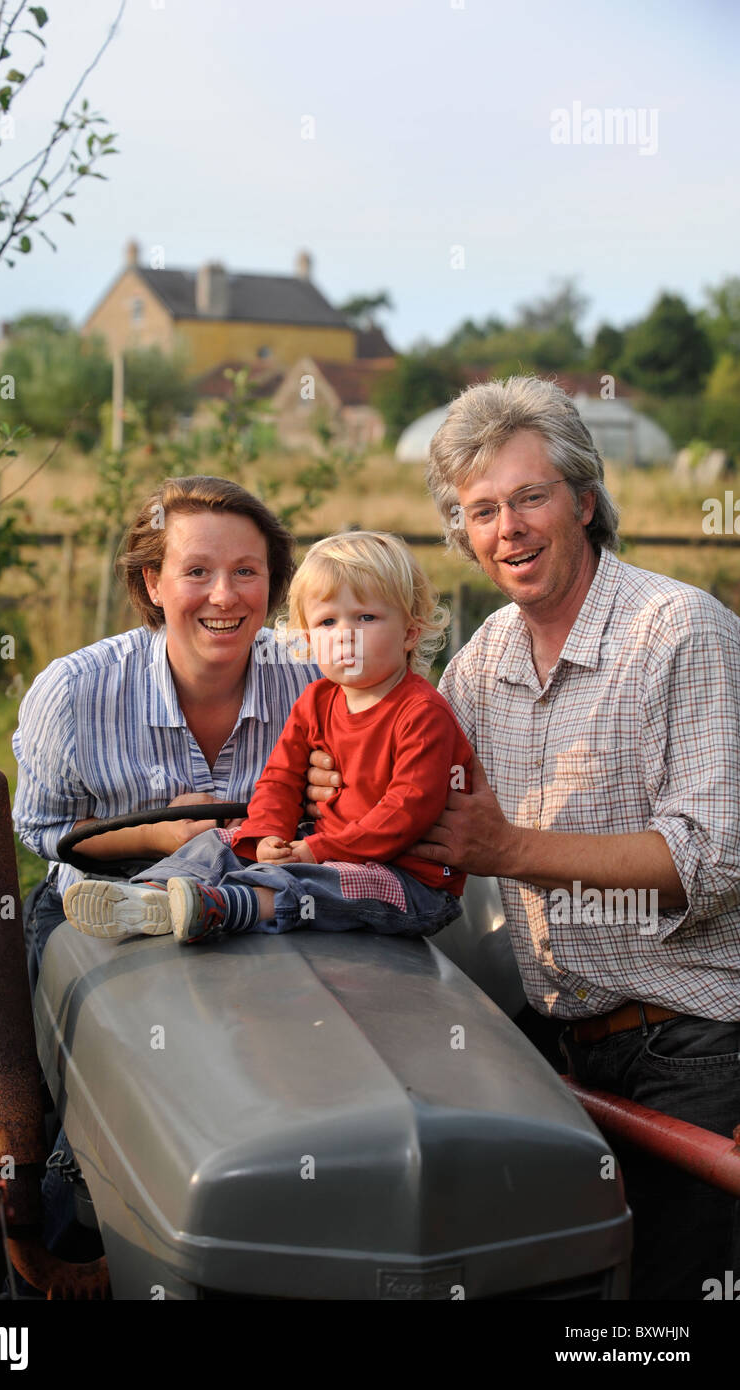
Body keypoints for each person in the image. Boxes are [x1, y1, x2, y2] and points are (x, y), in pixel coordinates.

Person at [405, 375, 740, 1301]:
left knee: (673, 1312)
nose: (507, 527)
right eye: (481, 511)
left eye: (529, 497)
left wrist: (506, 849)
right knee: (582, 1302)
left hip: (698, 1050)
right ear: (465, 537)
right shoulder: (481, 662)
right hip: (562, 1050)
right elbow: (424, 813)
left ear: (585, 501)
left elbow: (706, 864)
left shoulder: (680, 633)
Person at [62, 531, 472, 945]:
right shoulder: (317, 698)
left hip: (407, 879)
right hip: (319, 846)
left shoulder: (421, 713)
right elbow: (281, 778)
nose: (345, 635)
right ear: (309, 640)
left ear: (410, 632)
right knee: (220, 841)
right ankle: (146, 896)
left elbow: (404, 813)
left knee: (326, 883)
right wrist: (265, 836)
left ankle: (227, 907)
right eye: (328, 622)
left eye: (366, 618)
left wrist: (317, 850)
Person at [13, 474, 321, 980]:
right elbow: (41, 827)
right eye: (196, 571)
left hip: (272, 899)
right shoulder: (73, 691)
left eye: (246, 571)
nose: (223, 596)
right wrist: (155, 834)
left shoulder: (316, 678)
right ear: (153, 582)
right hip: (110, 903)